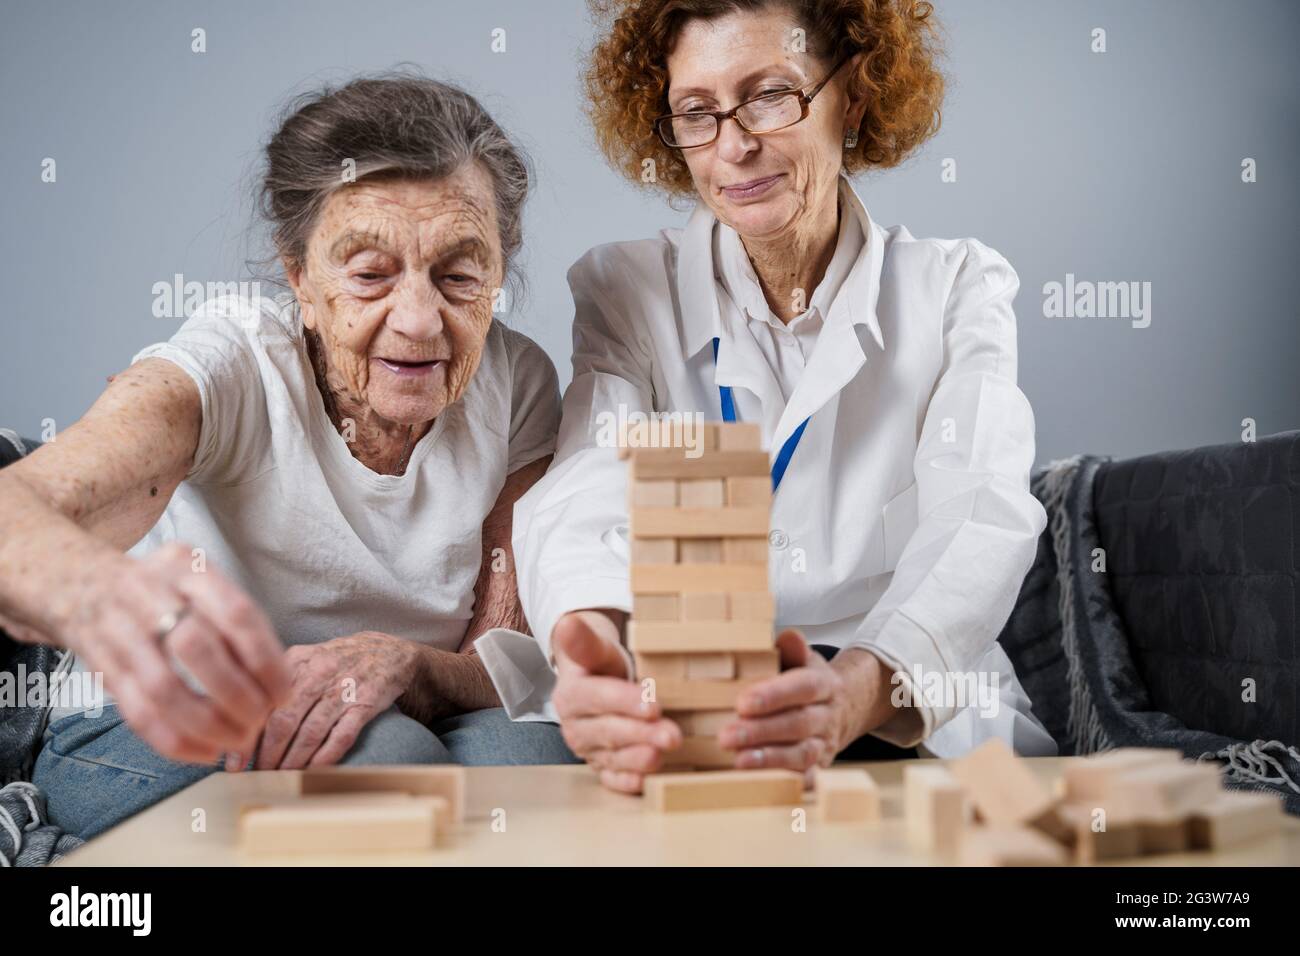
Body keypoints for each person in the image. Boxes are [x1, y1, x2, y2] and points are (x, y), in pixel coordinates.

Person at [0, 73, 575, 839]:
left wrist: (408, 665)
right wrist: (114, 602)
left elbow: (505, 656)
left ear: (499, 271)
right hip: (154, 717)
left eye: (459, 274)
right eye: (370, 274)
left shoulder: (518, 380)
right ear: (298, 275)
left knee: (537, 765)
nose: (419, 321)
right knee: (387, 768)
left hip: (403, 702)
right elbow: (17, 513)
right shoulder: (234, 361)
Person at [507, 0, 1057, 794]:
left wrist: (863, 687)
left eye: (771, 95)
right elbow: (588, 479)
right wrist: (589, 629)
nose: (733, 144)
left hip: (898, 691)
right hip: (693, 697)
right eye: (696, 112)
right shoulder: (627, 288)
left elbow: (980, 513)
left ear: (855, 98)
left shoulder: (956, 287)